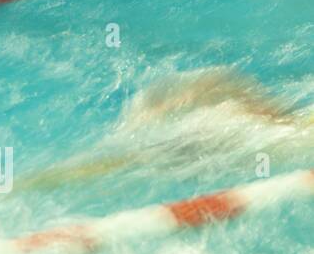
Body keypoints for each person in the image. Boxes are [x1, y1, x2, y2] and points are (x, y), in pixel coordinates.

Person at [18, 67, 314, 191]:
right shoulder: (294, 133)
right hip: (224, 139)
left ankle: (23, 184)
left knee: (120, 164)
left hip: (224, 129)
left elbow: (225, 80)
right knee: (118, 166)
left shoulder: (294, 124)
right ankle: (22, 186)